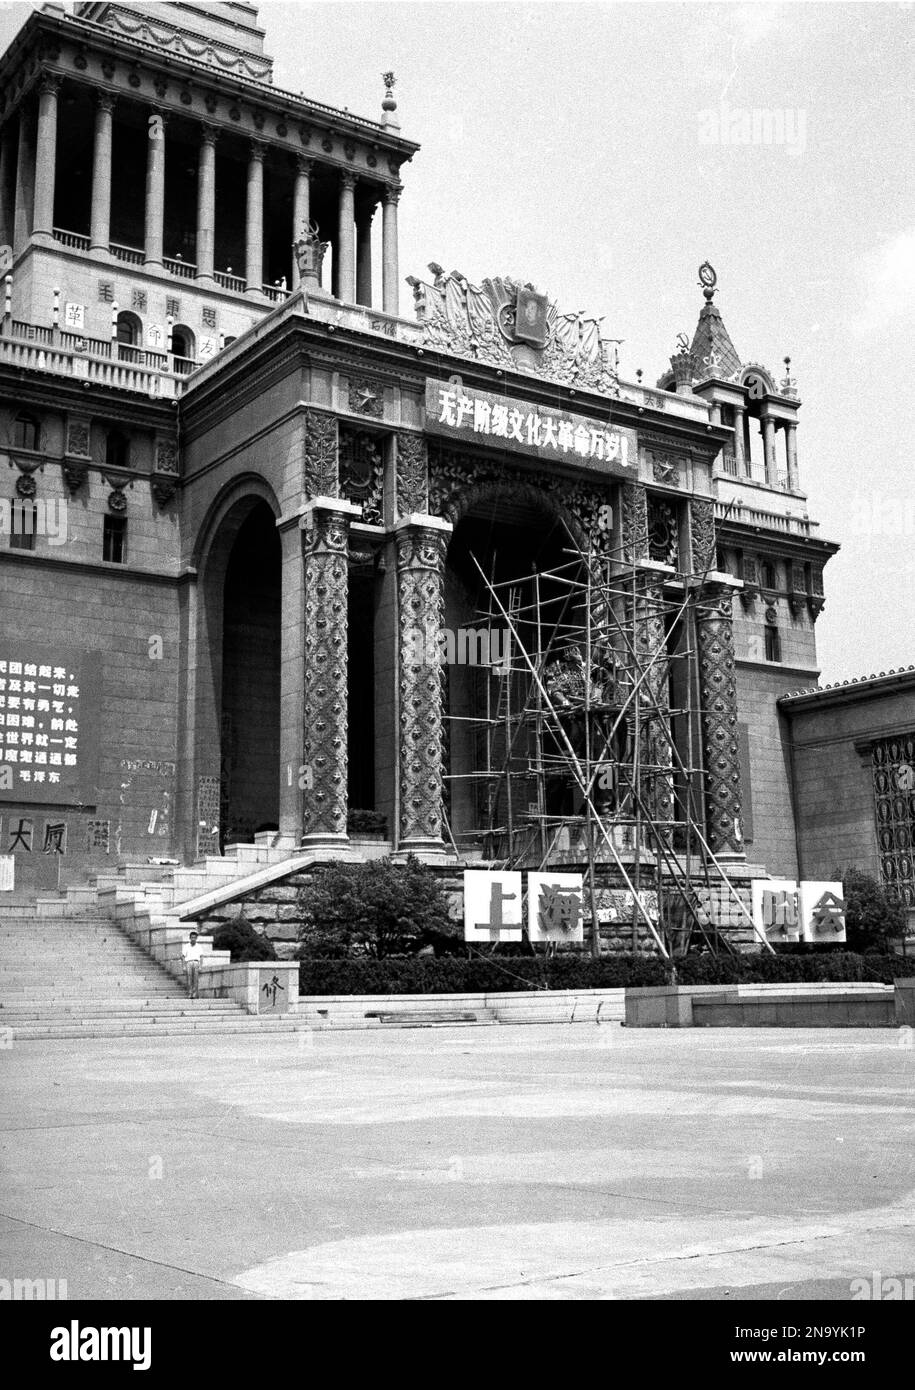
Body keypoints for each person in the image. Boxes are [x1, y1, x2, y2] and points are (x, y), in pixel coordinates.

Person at [181, 929, 204, 999]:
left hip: (196, 962)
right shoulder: (186, 946)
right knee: (189, 979)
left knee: (195, 979)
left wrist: (200, 966)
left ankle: (195, 994)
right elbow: (182, 956)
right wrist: (184, 966)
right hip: (189, 962)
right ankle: (190, 993)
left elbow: (201, 956)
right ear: (190, 938)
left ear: (196, 938)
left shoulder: (199, 946)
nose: (193, 939)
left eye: (194, 937)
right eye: (192, 937)